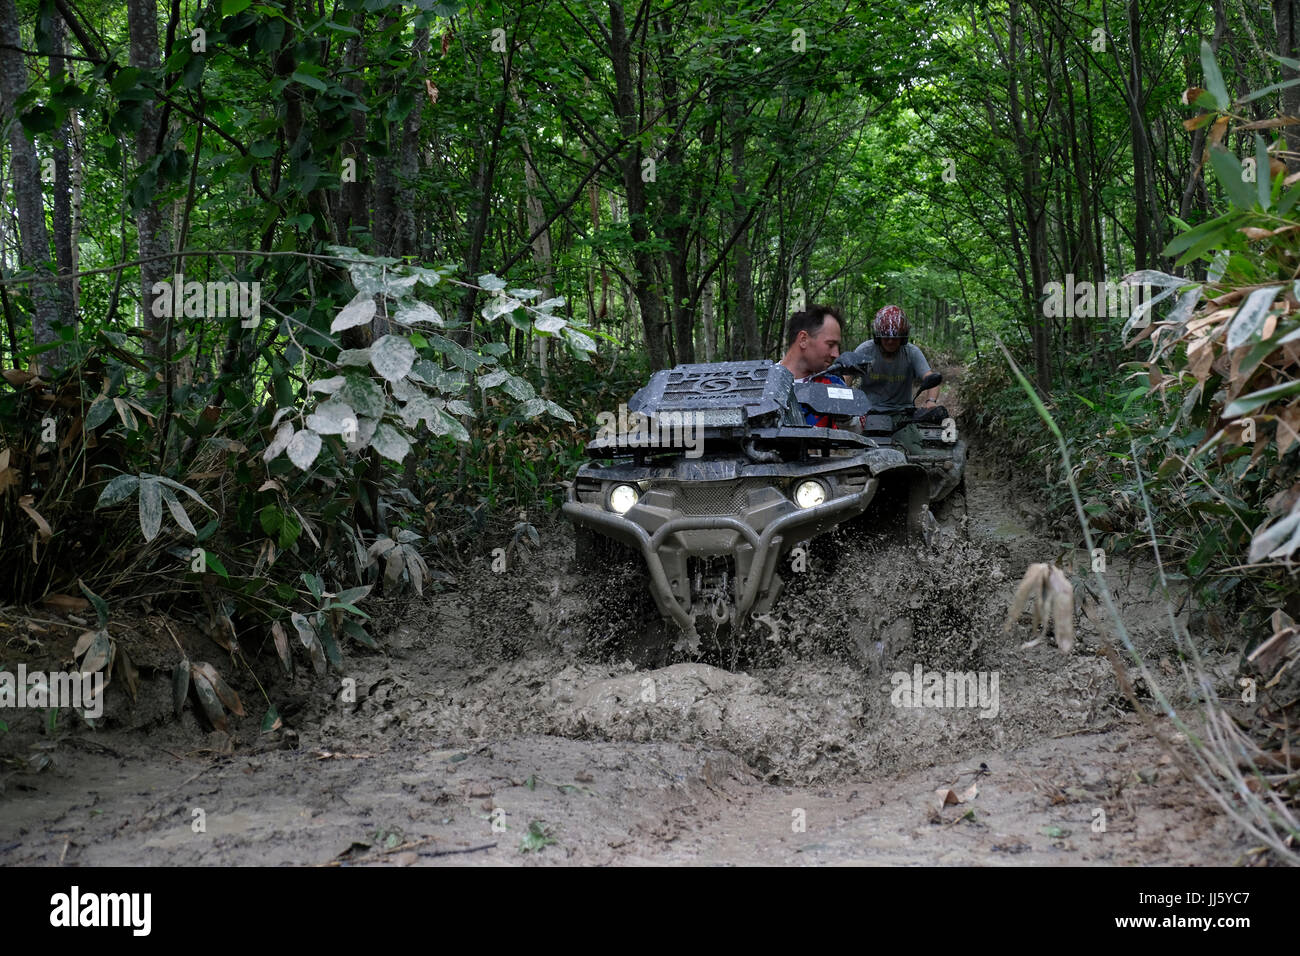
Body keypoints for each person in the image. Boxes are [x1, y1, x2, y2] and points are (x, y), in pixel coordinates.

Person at [842, 305, 942, 419]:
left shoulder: (911, 353)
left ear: (903, 338)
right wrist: (842, 399)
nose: (890, 341)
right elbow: (847, 375)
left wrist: (931, 401)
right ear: (878, 337)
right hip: (867, 411)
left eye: (895, 338)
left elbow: (931, 379)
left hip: (902, 413)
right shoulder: (865, 350)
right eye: (885, 337)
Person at [779, 305, 849, 428]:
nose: (836, 354)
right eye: (830, 344)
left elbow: (855, 430)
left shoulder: (833, 385)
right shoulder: (761, 382)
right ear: (803, 340)